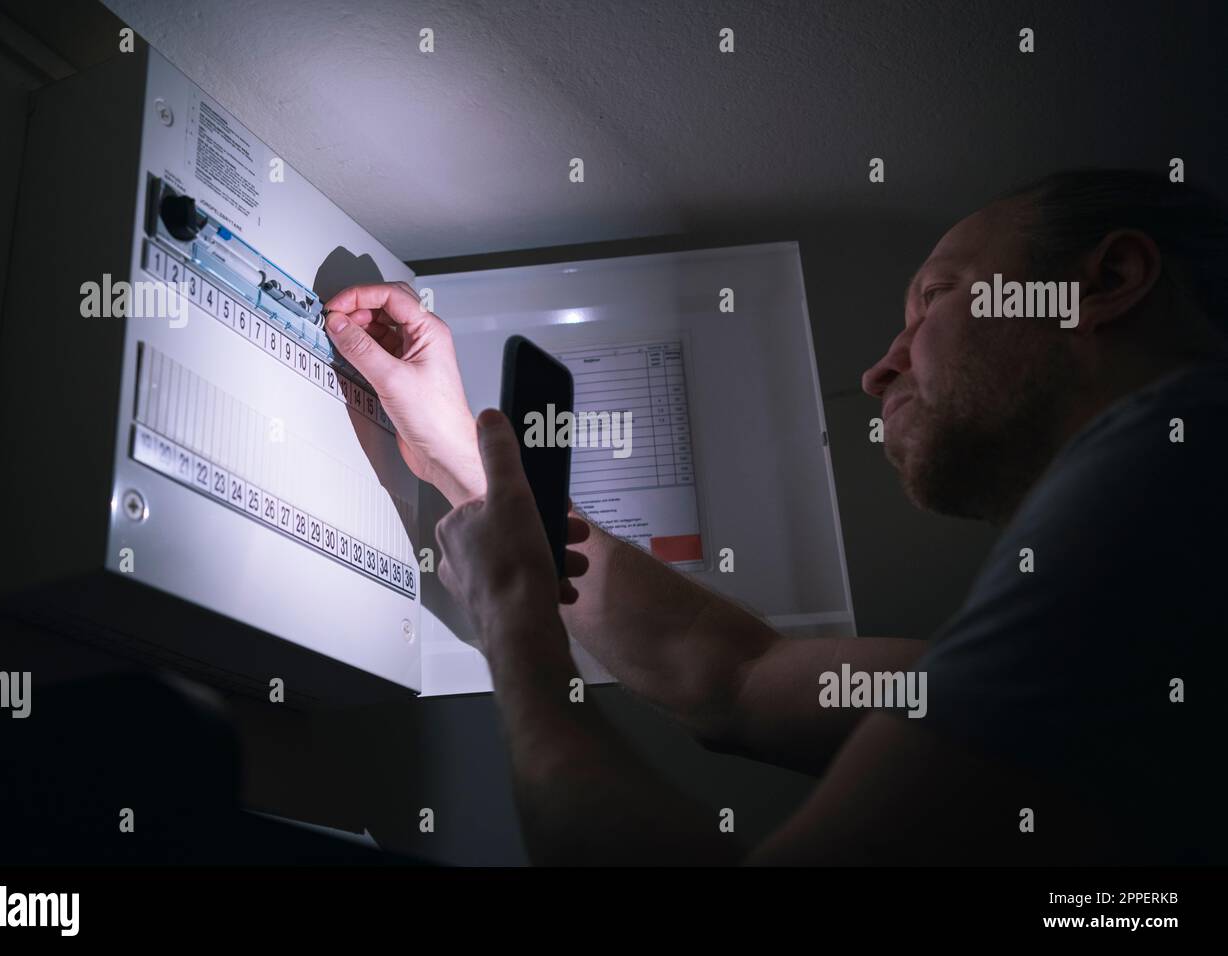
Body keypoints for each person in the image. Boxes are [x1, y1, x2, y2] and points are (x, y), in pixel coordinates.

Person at [323, 169, 1228, 865]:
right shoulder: (1132, 600)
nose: (881, 370)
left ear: (1109, 280)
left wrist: (515, 621)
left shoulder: (1169, 469)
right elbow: (738, 676)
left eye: (934, 298)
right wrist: (471, 476)